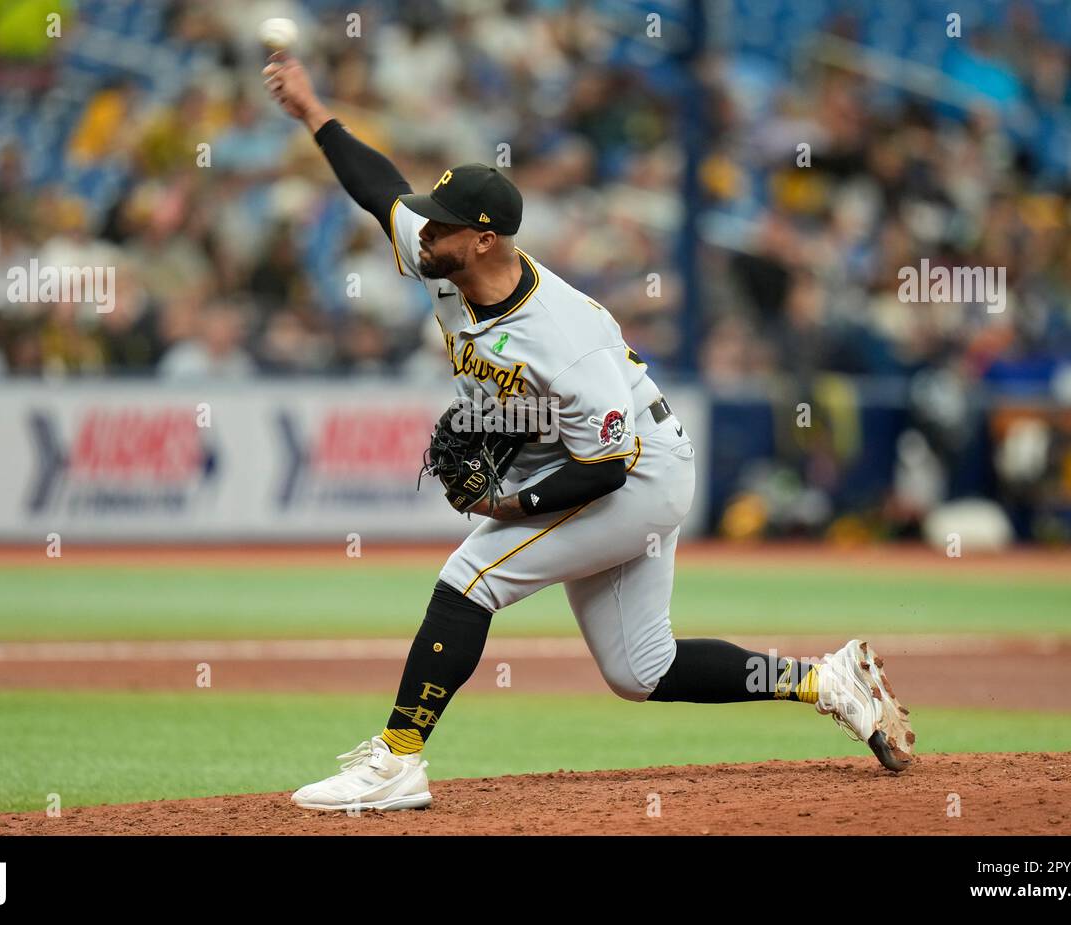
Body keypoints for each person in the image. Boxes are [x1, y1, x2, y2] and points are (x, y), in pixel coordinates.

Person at [262, 54, 914, 811]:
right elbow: (378, 190)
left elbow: (605, 467)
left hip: (636, 472)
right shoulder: (444, 255)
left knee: (472, 577)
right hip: (607, 458)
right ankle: (825, 679)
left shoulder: (564, 337)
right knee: (642, 670)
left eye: (438, 224)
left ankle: (397, 762)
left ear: (482, 238)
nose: (419, 231)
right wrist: (313, 109)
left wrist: (509, 509)